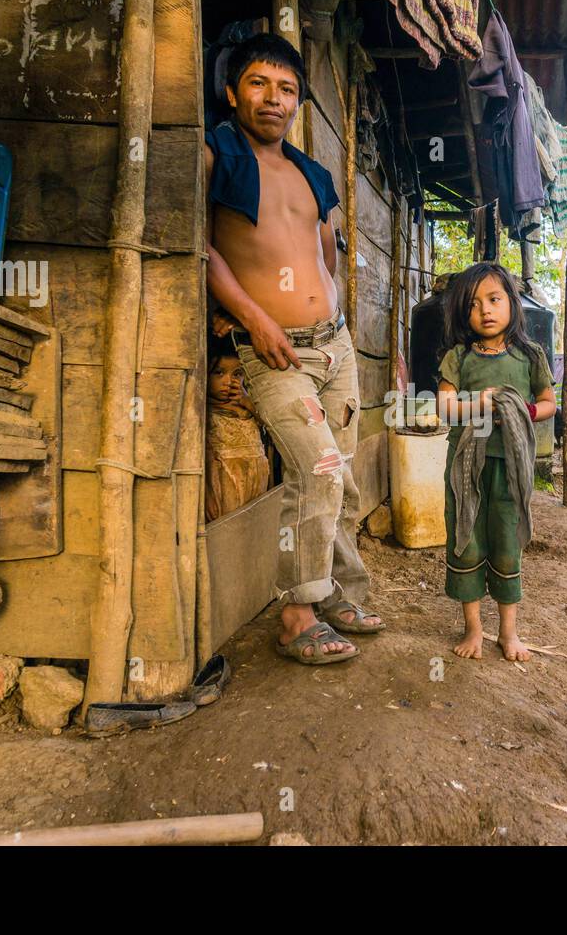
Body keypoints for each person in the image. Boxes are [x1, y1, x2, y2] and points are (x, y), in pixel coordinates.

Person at [204, 33, 382, 665]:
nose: (273, 99)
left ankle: (338, 591)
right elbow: (201, 248)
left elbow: (326, 250)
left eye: (286, 89)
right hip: (275, 352)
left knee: (346, 480)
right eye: (258, 83)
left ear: (299, 101)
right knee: (318, 469)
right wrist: (253, 319)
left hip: (333, 347)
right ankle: (296, 614)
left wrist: (331, 313)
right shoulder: (213, 151)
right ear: (231, 91)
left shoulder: (311, 172)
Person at [435, 262, 557, 661]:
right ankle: (473, 628)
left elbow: (548, 404)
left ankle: (509, 632)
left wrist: (523, 410)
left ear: (512, 305)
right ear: (463, 314)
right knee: (465, 539)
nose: (485, 310)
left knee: (507, 544)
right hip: (466, 467)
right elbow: (446, 407)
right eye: (473, 304)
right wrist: (484, 402)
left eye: (494, 299)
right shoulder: (458, 357)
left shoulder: (529, 355)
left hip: (511, 465)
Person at [204, 335, 270, 522]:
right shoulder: (205, 412)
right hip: (223, 487)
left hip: (256, 487)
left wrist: (246, 400)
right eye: (219, 372)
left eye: (237, 374)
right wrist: (207, 493)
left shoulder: (249, 408)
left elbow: (272, 423)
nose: (228, 381)